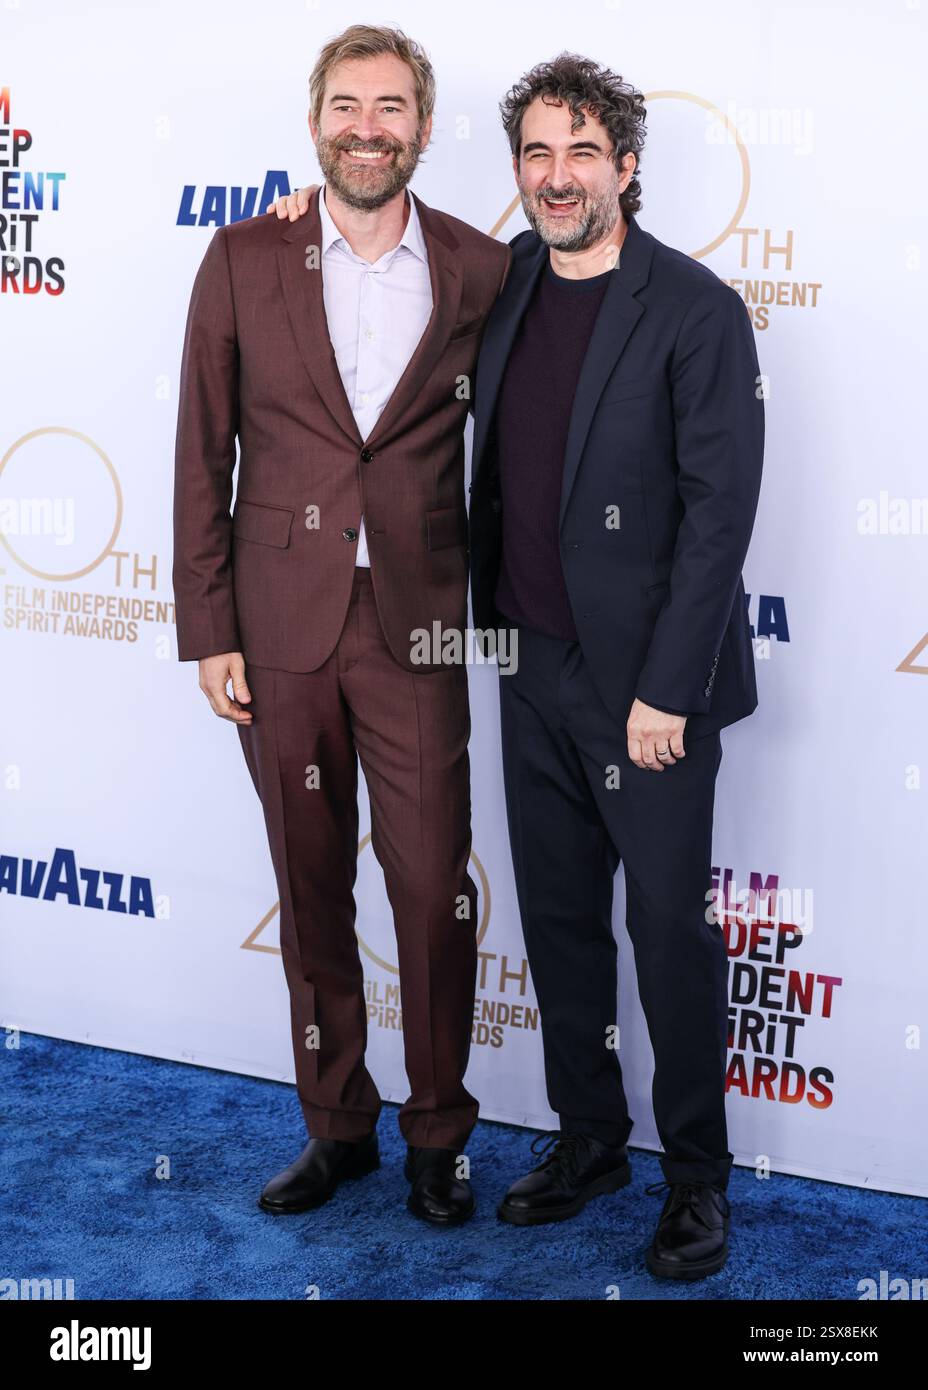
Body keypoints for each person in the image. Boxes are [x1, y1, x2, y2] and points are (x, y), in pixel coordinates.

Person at [272, 50, 765, 1281]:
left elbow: (720, 513)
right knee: (557, 928)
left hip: (650, 688)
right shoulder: (502, 289)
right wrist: (295, 211)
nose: (556, 176)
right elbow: (363, 240)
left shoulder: (695, 310)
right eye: (536, 153)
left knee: (665, 934)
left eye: (581, 152)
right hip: (527, 665)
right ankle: (590, 1137)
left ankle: (695, 1178)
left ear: (626, 167)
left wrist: (668, 689)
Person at [173, 23, 509, 1226]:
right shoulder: (241, 257)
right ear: (316, 118)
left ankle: (437, 1131)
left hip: (418, 622)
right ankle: (338, 1124)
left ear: (423, 126)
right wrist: (210, 625)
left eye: (392, 108)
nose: (368, 128)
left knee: (429, 887)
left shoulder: (480, 267)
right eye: (348, 106)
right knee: (309, 884)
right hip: (279, 624)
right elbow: (200, 448)